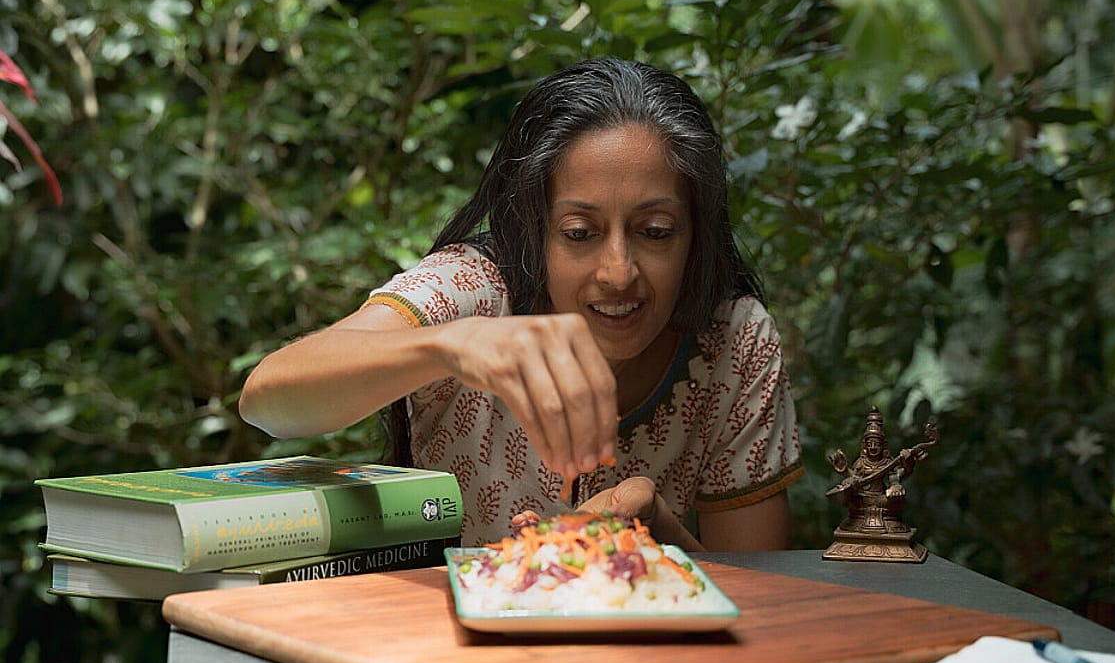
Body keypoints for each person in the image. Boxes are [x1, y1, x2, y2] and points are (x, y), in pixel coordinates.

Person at [239, 56, 804, 550]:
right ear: (536, 232)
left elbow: (761, 609)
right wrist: (452, 345)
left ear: (695, 236)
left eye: (655, 231)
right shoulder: (471, 291)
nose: (618, 272)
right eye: (580, 233)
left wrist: (654, 526)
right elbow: (268, 401)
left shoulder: (733, 344)